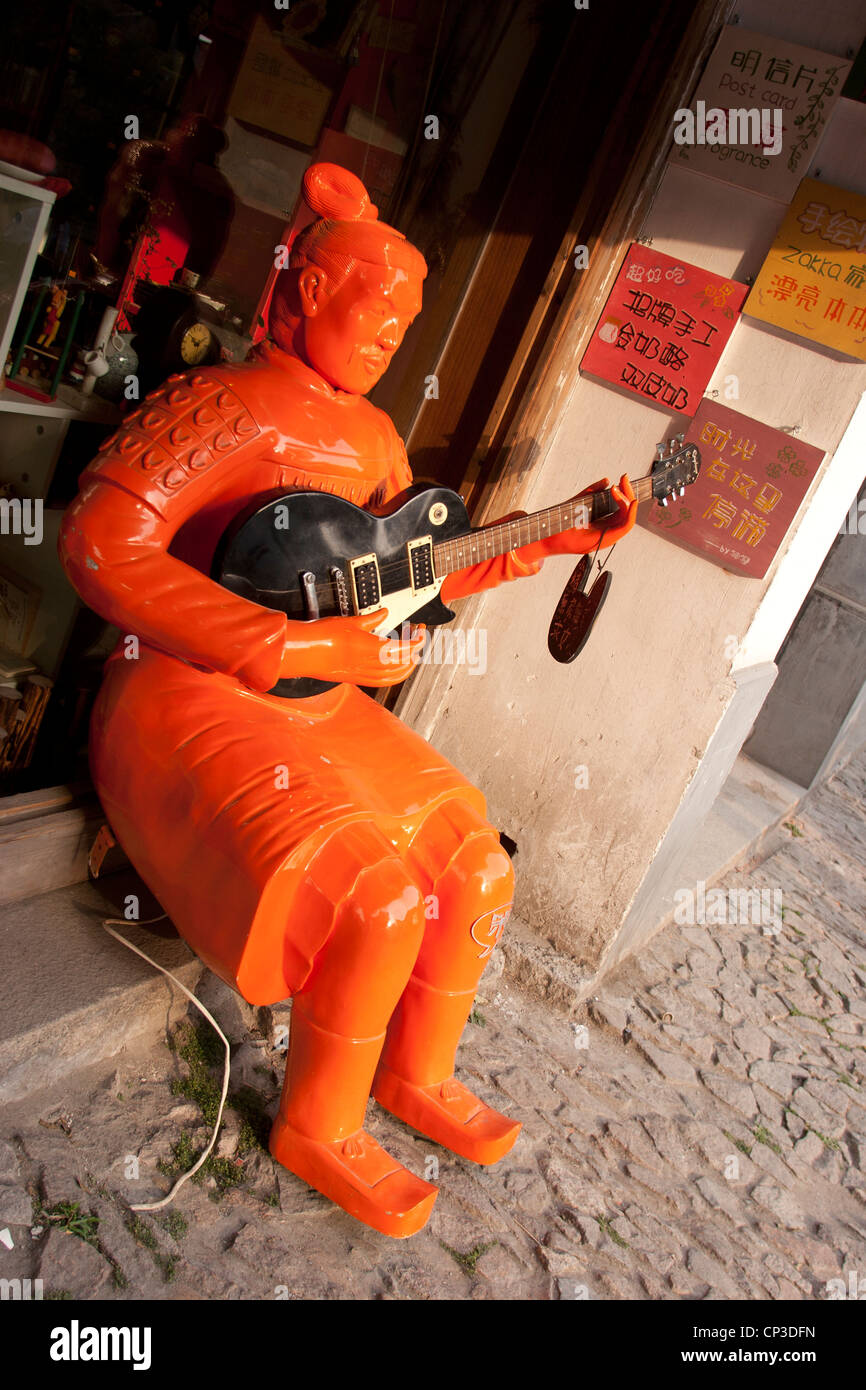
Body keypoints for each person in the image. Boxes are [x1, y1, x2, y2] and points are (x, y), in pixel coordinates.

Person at [59, 163, 636, 1236]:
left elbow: (395, 567)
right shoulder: (214, 403)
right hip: (187, 689)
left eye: (407, 321)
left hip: (311, 698)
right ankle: (318, 1121)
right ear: (307, 293)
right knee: (369, 888)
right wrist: (275, 642)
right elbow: (99, 546)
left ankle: (417, 1069)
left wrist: (546, 540)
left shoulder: (372, 441)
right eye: (374, 309)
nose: (388, 339)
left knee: (469, 858)